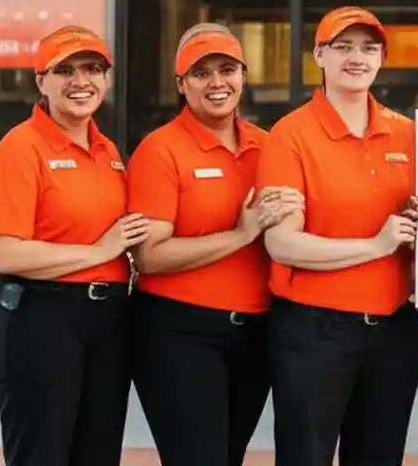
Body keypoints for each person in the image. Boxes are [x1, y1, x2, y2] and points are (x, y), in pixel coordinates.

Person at [125, 23, 303, 466]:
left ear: (244, 76)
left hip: (256, 333)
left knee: (228, 455)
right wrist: (241, 234)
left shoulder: (269, 146)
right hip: (179, 333)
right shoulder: (160, 150)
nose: (217, 83)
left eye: (227, 69)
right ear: (181, 84)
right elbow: (148, 256)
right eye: (201, 73)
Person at [255, 6, 418, 466]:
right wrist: (376, 245)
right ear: (319, 55)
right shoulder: (290, 135)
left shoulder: (408, 135)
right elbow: (282, 244)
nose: (358, 57)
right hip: (316, 331)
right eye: (343, 46)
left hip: (393, 329)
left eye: (369, 48)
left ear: (382, 59)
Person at [0, 25, 148, 466]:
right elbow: (7, 253)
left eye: (93, 69)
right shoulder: (19, 150)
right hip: (41, 319)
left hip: (107, 320)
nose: (81, 81)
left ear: (106, 80)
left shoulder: (107, 149)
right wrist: (98, 252)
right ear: (41, 82)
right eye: (65, 70)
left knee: (97, 454)